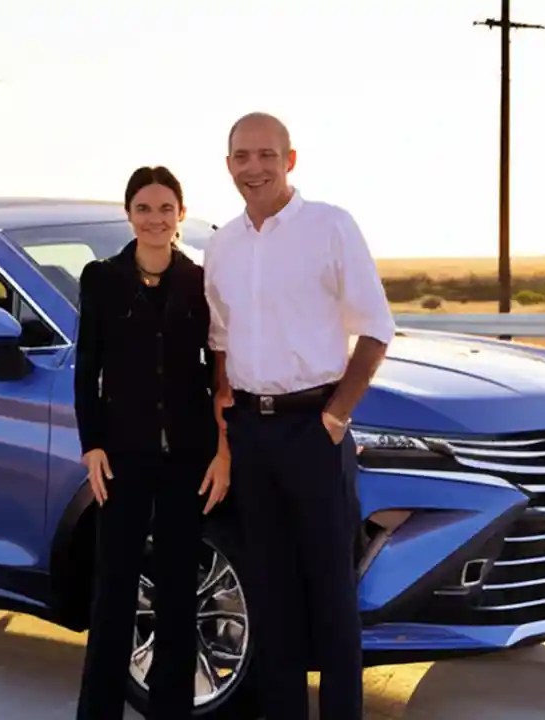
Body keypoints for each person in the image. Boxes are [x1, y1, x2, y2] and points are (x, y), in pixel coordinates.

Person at [204, 112, 395, 719]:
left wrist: (336, 418)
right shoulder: (222, 244)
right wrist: (224, 422)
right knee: (271, 598)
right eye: (241, 156)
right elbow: (219, 341)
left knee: (333, 601)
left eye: (266, 155)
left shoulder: (330, 227)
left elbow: (376, 329)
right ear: (228, 164)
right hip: (251, 437)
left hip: (314, 429)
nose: (252, 167)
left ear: (290, 160)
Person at [73, 165, 232, 720]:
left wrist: (221, 449)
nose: (155, 219)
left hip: (186, 458)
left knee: (176, 597)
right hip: (121, 457)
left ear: (181, 215)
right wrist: (92, 444)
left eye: (166, 209)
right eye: (144, 208)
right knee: (113, 592)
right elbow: (87, 367)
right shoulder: (100, 278)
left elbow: (219, 373)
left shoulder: (199, 280)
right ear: (129, 214)